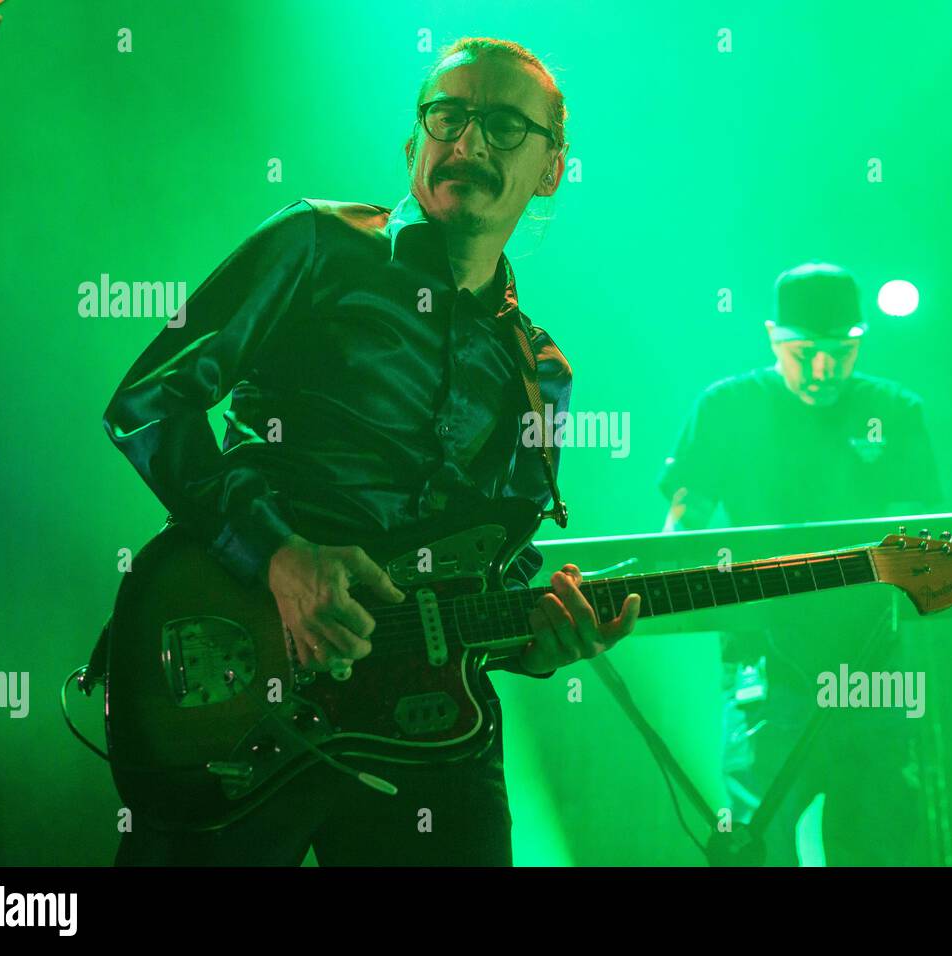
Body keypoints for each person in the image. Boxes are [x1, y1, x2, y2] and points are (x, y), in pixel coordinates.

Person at [102, 37, 639, 866]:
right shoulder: (316, 245)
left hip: (426, 730)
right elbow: (146, 405)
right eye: (449, 116)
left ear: (551, 169)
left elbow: (500, 567)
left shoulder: (542, 372)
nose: (469, 143)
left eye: (504, 126)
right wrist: (276, 553)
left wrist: (541, 637)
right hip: (246, 691)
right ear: (414, 139)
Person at [659, 262, 941, 865]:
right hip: (764, 655)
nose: (823, 369)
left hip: (873, 657)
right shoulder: (727, 406)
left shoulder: (896, 410)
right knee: (758, 835)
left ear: (861, 340)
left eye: (841, 351)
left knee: (879, 836)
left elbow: (923, 535)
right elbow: (684, 524)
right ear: (772, 338)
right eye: (805, 351)